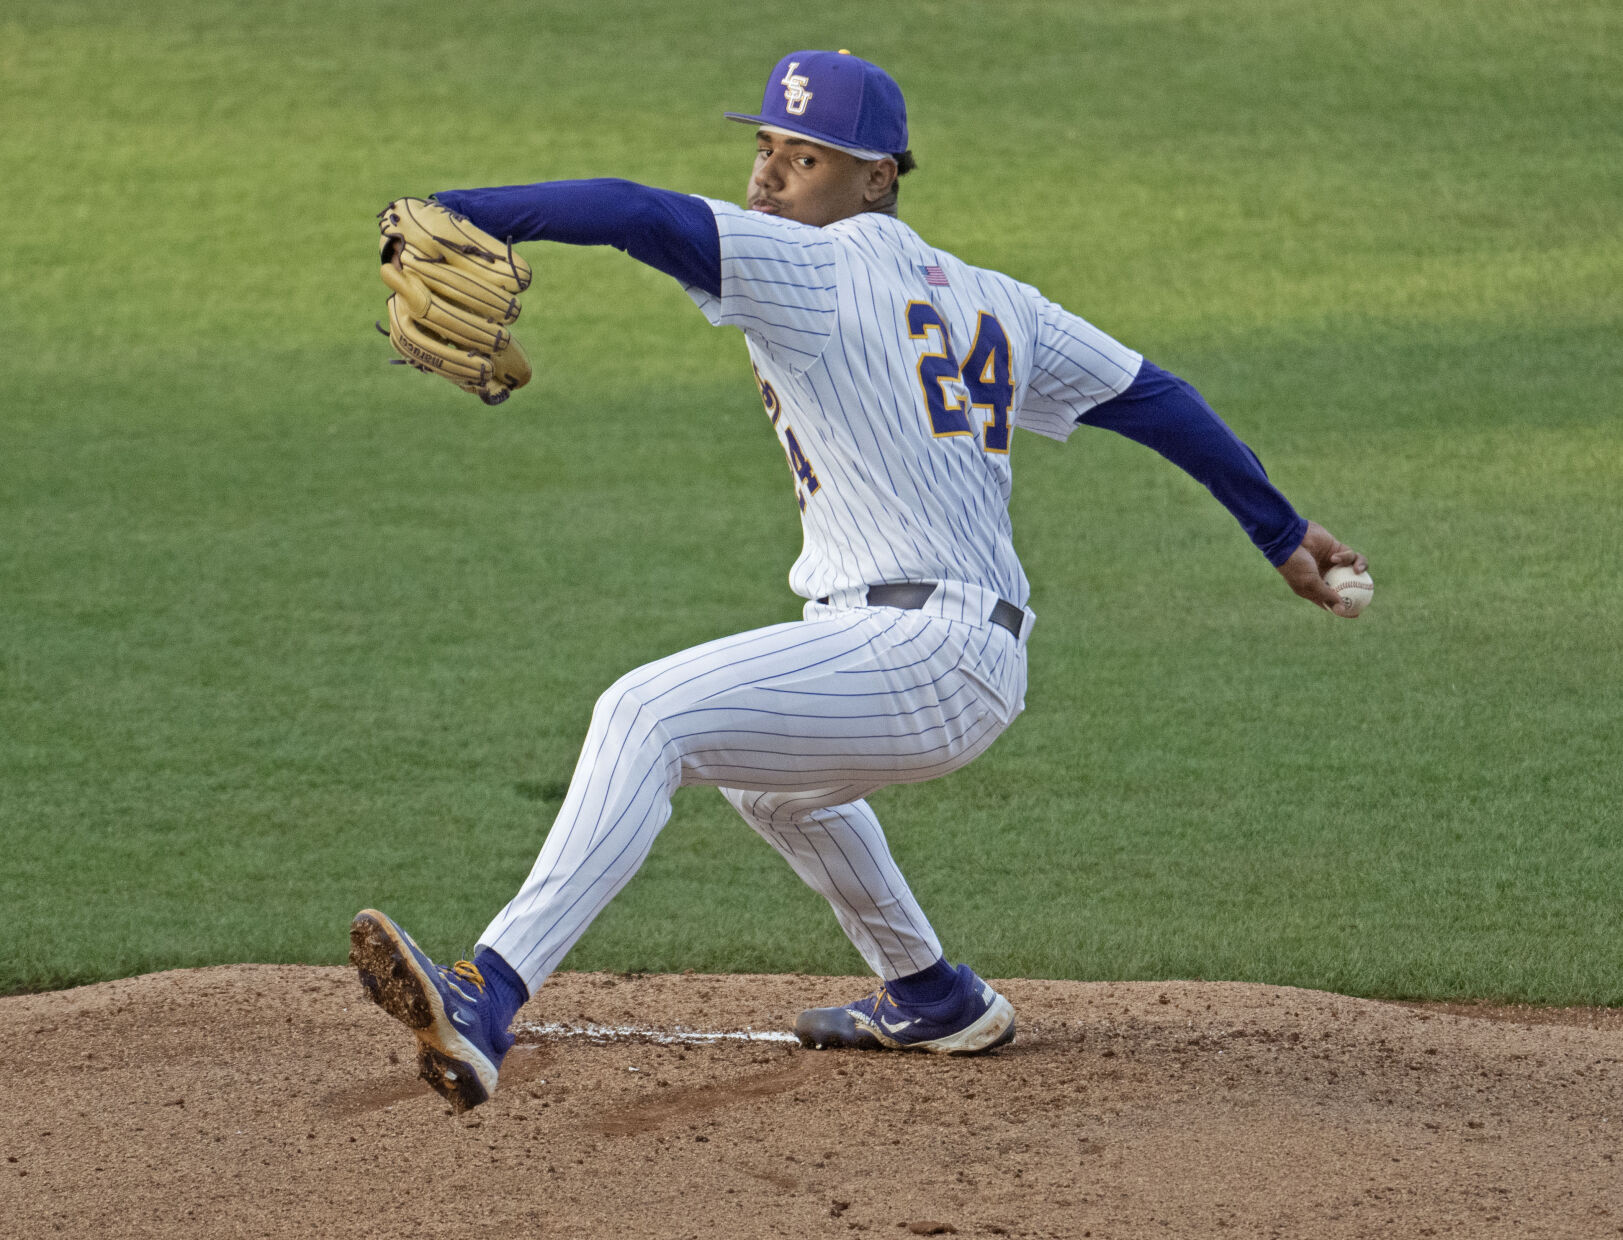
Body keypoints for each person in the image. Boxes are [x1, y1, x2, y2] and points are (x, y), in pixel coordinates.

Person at [350, 49, 1368, 1113]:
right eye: (763, 148)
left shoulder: (815, 267)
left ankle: (486, 995)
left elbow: (632, 211)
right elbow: (1153, 394)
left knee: (641, 713)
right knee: (768, 780)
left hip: (916, 652)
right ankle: (931, 992)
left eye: (804, 157)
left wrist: (463, 209)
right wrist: (1280, 528)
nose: (768, 178)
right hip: (957, 653)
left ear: (876, 177)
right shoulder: (992, 299)